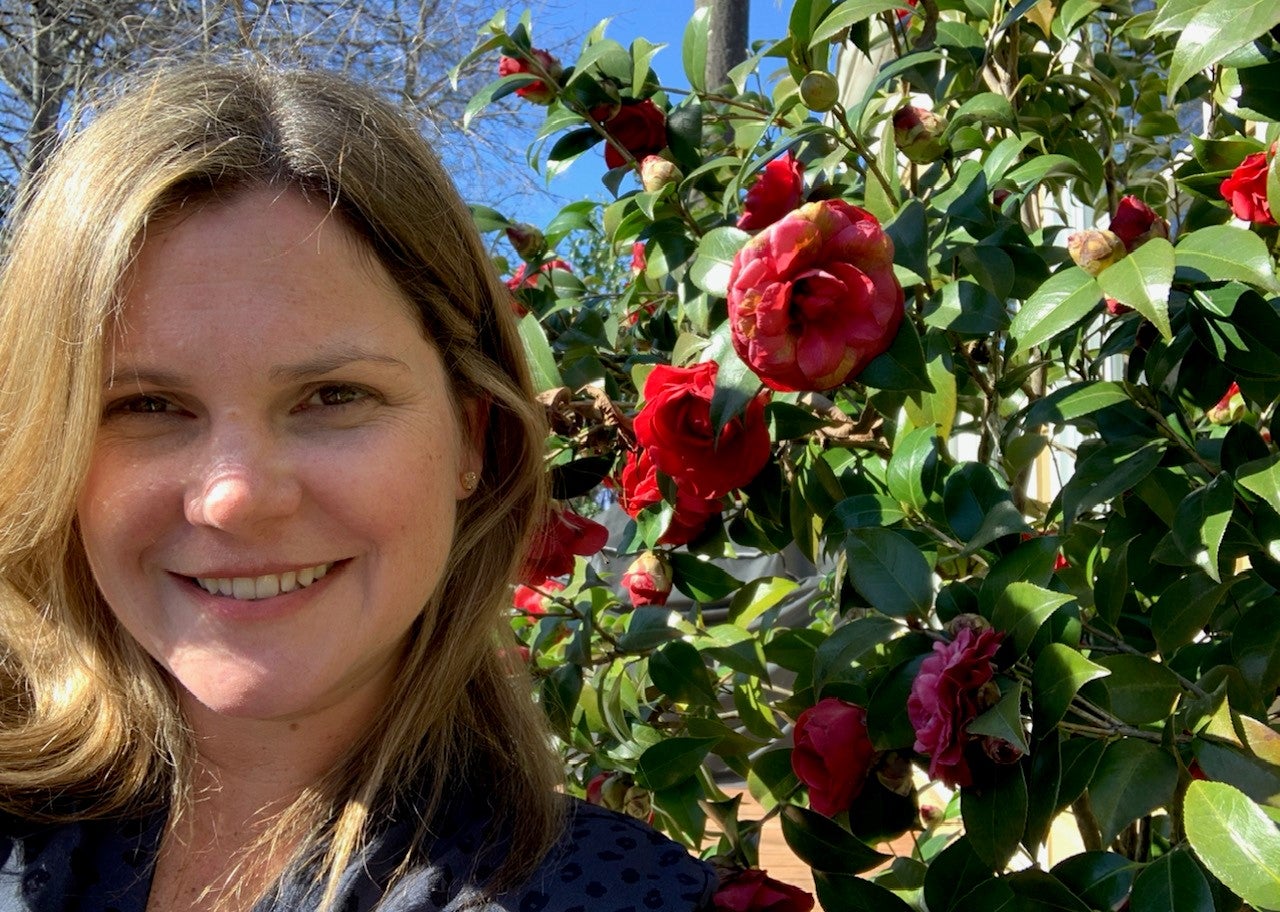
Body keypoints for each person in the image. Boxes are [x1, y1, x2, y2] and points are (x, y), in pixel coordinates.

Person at [0, 61, 717, 912]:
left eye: (334, 396)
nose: (234, 496)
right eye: (146, 405)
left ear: (472, 436)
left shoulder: (620, 898)